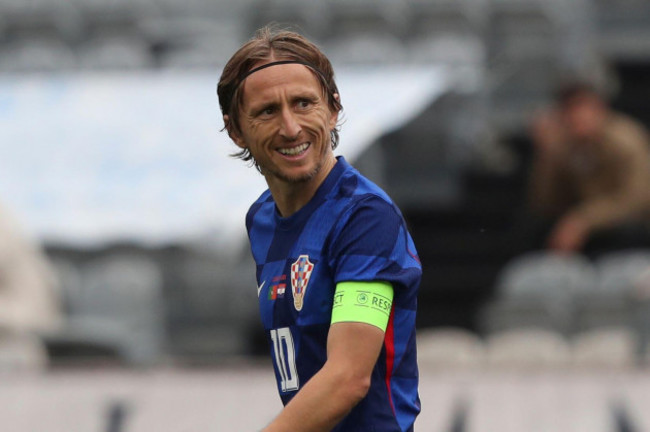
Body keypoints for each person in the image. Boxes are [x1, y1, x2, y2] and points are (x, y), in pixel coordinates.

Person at [217, 27, 421, 431]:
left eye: (303, 103)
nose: (291, 128)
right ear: (236, 129)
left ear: (333, 109)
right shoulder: (261, 217)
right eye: (267, 111)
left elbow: (347, 379)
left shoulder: (365, 219)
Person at [528, 80, 650, 254]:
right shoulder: (565, 144)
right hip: (586, 224)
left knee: (629, 232)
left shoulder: (626, 140)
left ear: (600, 109)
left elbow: (636, 199)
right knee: (535, 228)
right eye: (570, 109)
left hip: (628, 223)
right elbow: (546, 204)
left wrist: (583, 220)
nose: (578, 116)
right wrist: (547, 155)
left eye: (583, 107)